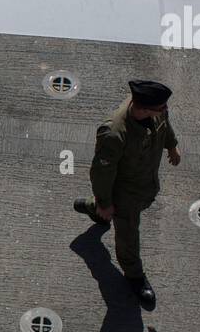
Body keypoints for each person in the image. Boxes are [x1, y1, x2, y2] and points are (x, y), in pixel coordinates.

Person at [74, 80, 181, 307]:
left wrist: (172, 144)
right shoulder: (114, 133)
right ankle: (134, 276)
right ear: (142, 108)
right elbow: (101, 173)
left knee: (108, 212)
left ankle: (95, 209)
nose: (164, 110)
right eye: (160, 108)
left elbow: (165, 124)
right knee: (128, 235)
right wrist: (106, 201)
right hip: (125, 194)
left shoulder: (154, 111)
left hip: (144, 185)